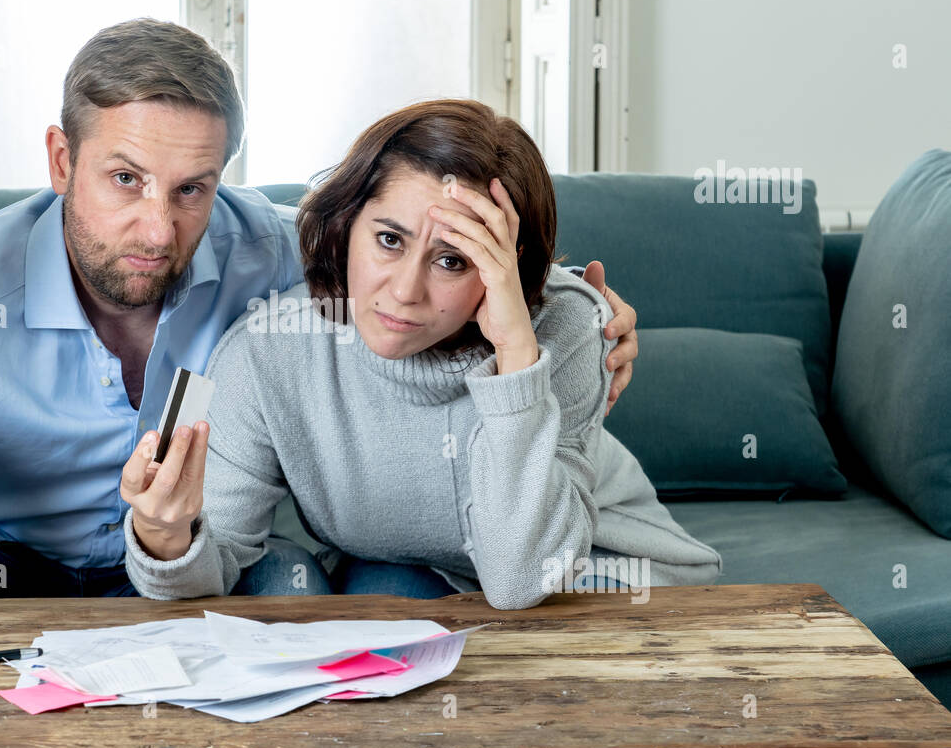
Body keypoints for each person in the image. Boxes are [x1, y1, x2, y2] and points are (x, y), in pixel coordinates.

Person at [0, 18, 641, 614]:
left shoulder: (273, 249)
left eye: (191, 189)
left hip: (206, 560)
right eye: (124, 179)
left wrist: (574, 306)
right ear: (61, 159)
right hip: (1, 557)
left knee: (317, 605)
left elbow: (414, 257)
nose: (158, 228)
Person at [119, 99, 722, 608]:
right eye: (388, 240)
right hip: (431, 579)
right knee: (353, 582)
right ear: (347, 224)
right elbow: (208, 570)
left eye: (453, 260)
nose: (405, 293)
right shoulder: (272, 348)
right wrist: (162, 533)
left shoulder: (560, 328)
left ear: (504, 271)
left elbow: (520, 580)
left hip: (600, 586)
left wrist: (515, 349)